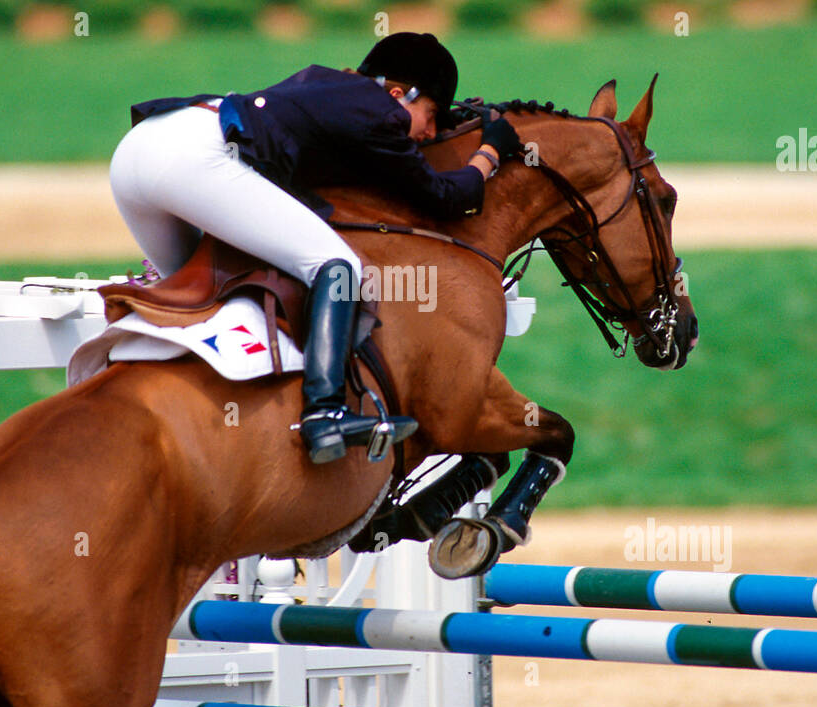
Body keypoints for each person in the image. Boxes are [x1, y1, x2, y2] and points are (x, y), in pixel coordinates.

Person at [109, 32, 522, 464]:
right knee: (338, 264)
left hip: (138, 155)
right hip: (191, 161)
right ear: (399, 94)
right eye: (431, 113)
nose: (430, 131)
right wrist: (491, 151)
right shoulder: (379, 112)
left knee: (205, 293)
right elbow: (444, 197)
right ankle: (325, 415)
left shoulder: (336, 90)